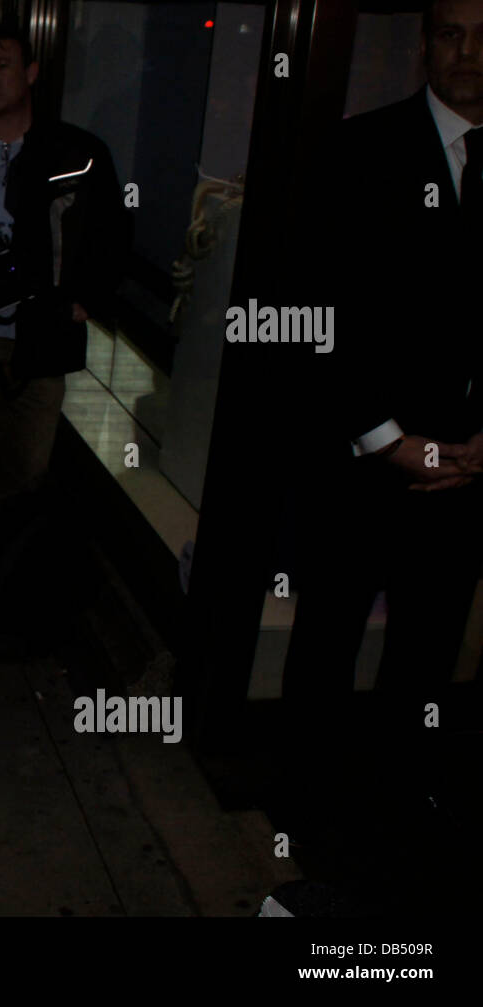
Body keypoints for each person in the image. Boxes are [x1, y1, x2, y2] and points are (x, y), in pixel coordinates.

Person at [281, 0, 483, 811]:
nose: (470, 53)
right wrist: (389, 440)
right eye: (451, 33)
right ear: (424, 45)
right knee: (327, 641)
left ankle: (400, 806)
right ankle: (304, 810)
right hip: (364, 460)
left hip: (470, 471)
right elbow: (316, 313)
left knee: (428, 653)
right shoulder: (358, 150)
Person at [0, 25, 129, 664]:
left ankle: (2, 598)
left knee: (24, 478)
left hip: (37, 341)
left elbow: (110, 236)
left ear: (33, 72)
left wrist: (84, 295)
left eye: (3, 65)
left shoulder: (77, 153)